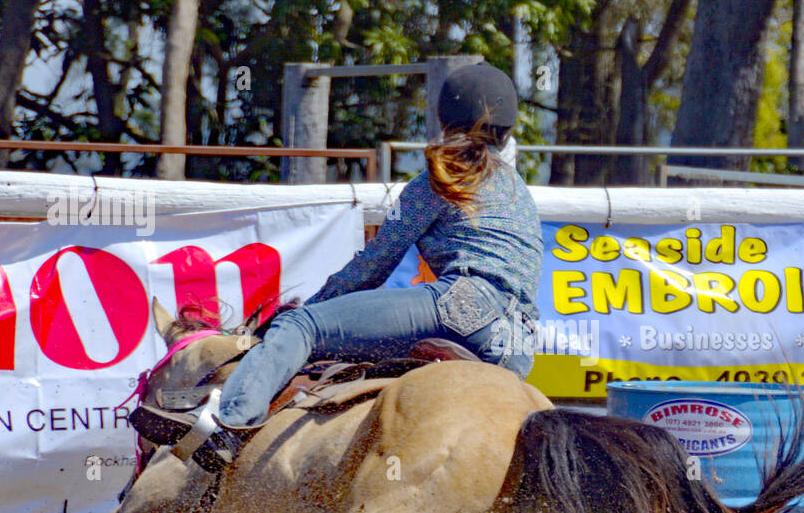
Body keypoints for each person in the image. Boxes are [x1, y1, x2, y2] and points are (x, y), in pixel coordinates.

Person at [132, 62, 544, 470]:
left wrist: (304, 313)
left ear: (444, 118)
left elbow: (374, 266)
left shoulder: (439, 181)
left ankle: (230, 426)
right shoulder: (519, 191)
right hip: (519, 348)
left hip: (462, 309)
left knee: (300, 329)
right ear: (507, 128)